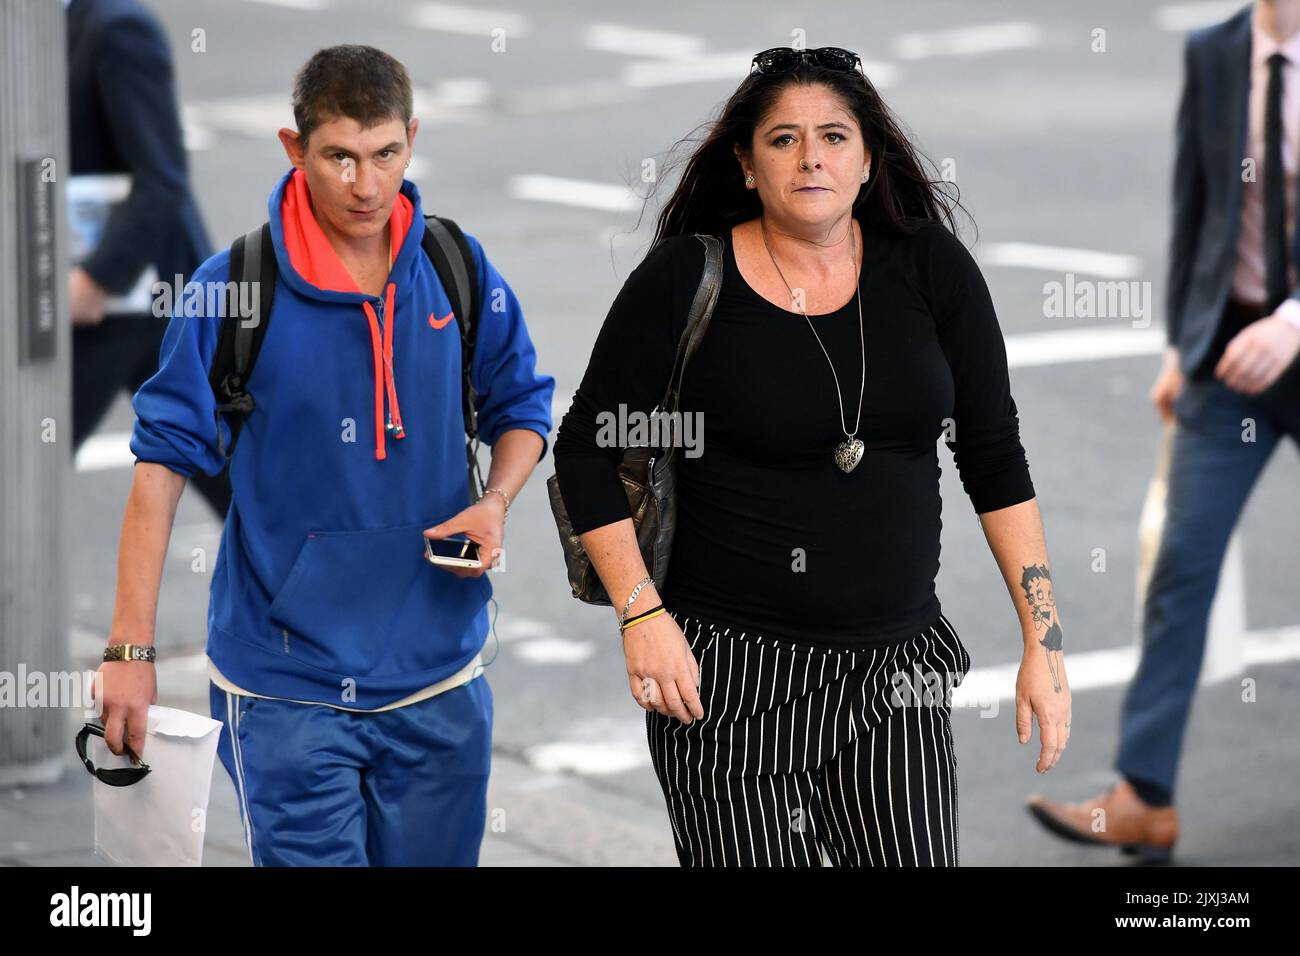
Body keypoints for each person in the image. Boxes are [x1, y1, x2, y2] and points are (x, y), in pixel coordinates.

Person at [553, 46, 1071, 867]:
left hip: (897, 671)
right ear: (747, 165)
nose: (811, 158)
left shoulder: (930, 267)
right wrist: (642, 615)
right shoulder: (688, 275)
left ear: (868, 159)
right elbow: (586, 449)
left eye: (833, 136)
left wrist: (1042, 639)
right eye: (783, 139)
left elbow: (995, 455)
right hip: (727, 680)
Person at [95, 45, 555, 866]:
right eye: (339, 156)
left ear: (411, 139)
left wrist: (497, 501)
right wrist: (129, 653)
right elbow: (159, 470)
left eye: (385, 154)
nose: (366, 184)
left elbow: (521, 406)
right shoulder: (233, 288)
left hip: (440, 679)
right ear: (293, 147)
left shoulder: (456, 267)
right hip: (285, 691)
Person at [1027, 0, 1300, 864]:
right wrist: (1183, 348)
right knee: (1180, 566)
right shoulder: (1217, 51)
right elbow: (1198, 203)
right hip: (1227, 360)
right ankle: (1145, 796)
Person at [66, 0, 229, 518]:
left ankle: (315, 586)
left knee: (240, 479)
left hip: (143, 300)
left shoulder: (118, 28)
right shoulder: (44, 27)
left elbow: (160, 180)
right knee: (232, 474)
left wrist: (96, 279)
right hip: (109, 304)